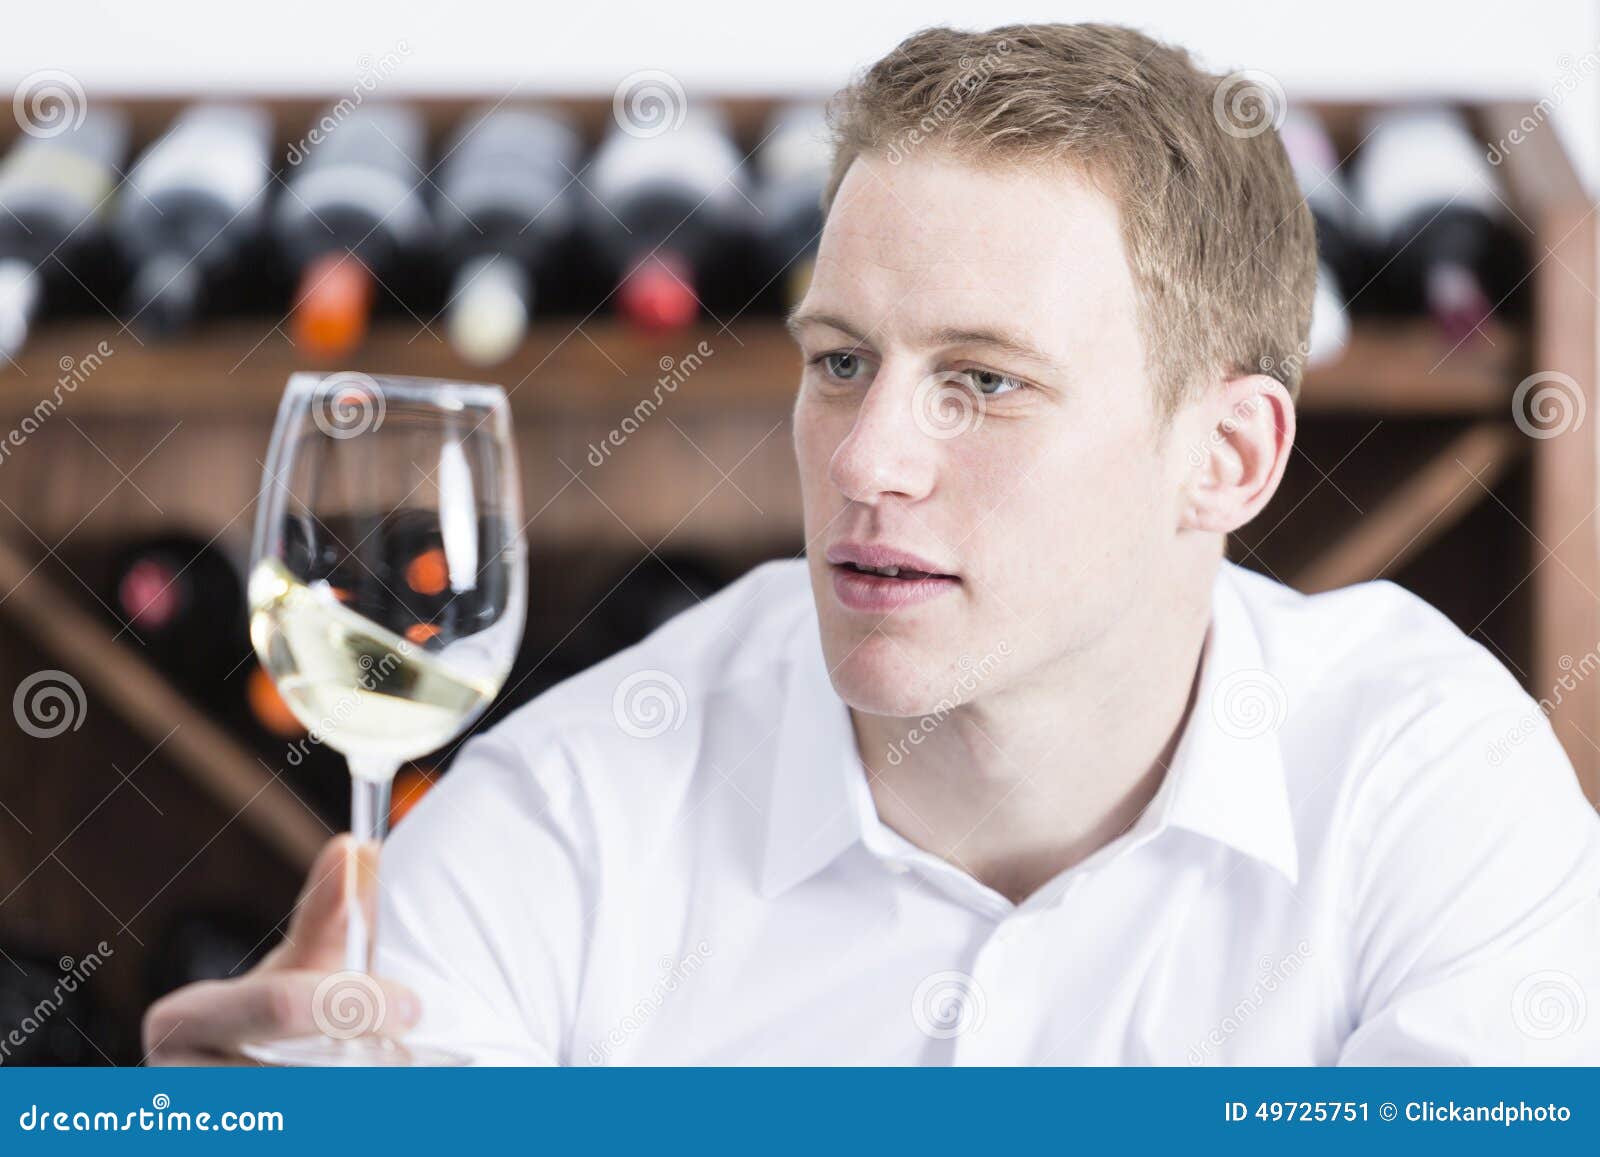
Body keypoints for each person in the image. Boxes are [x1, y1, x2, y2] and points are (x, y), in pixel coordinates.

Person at [145, 22, 1600, 1065]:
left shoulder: (1425, 784)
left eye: (983, 381)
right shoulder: (580, 805)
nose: (865, 457)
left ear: (1227, 458)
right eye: (841, 361)